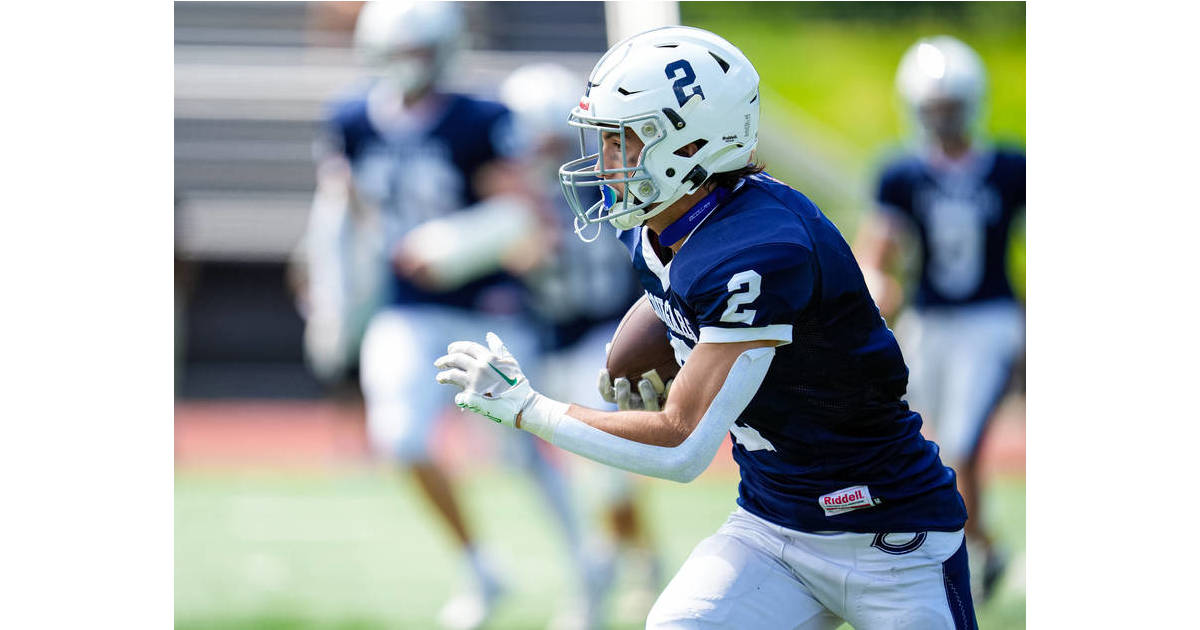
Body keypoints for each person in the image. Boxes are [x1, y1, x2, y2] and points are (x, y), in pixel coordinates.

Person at [435, 26, 977, 630]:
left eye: (622, 140)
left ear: (691, 144)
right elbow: (673, 294)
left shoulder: (759, 247)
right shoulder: (659, 223)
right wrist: (652, 349)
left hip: (891, 534)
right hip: (774, 526)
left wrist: (528, 409)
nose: (604, 162)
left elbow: (682, 445)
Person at [295, 3, 600, 628]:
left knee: (522, 454)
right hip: (406, 306)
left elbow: (531, 217)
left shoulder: (480, 119)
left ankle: (586, 569)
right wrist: (333, 292)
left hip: (490, 308)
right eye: (400, 51)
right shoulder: (351, 119)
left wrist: (458, 245)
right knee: (401, 438)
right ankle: (480, 567)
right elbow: (344, 213)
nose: (410, 64)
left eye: (420, 51)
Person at [854, 35, 1025, 601]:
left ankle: (965, 553)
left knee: (964, 443)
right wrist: (873, 284)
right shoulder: (902, 174)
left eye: (951, 108)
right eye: (934, 108)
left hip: (989, 319)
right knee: (912, 437)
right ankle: (978, 544)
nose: (943, 120)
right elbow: (878, 246)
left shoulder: (1009, 167)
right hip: (928, 323)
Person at [500, 63, 667, 626]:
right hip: (545, 338)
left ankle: (598, 579)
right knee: (569, 469)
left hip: (605, 335)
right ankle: (640, 558)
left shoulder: (605, 184)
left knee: (605, 466)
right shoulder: (512, 193)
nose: (543, 150)